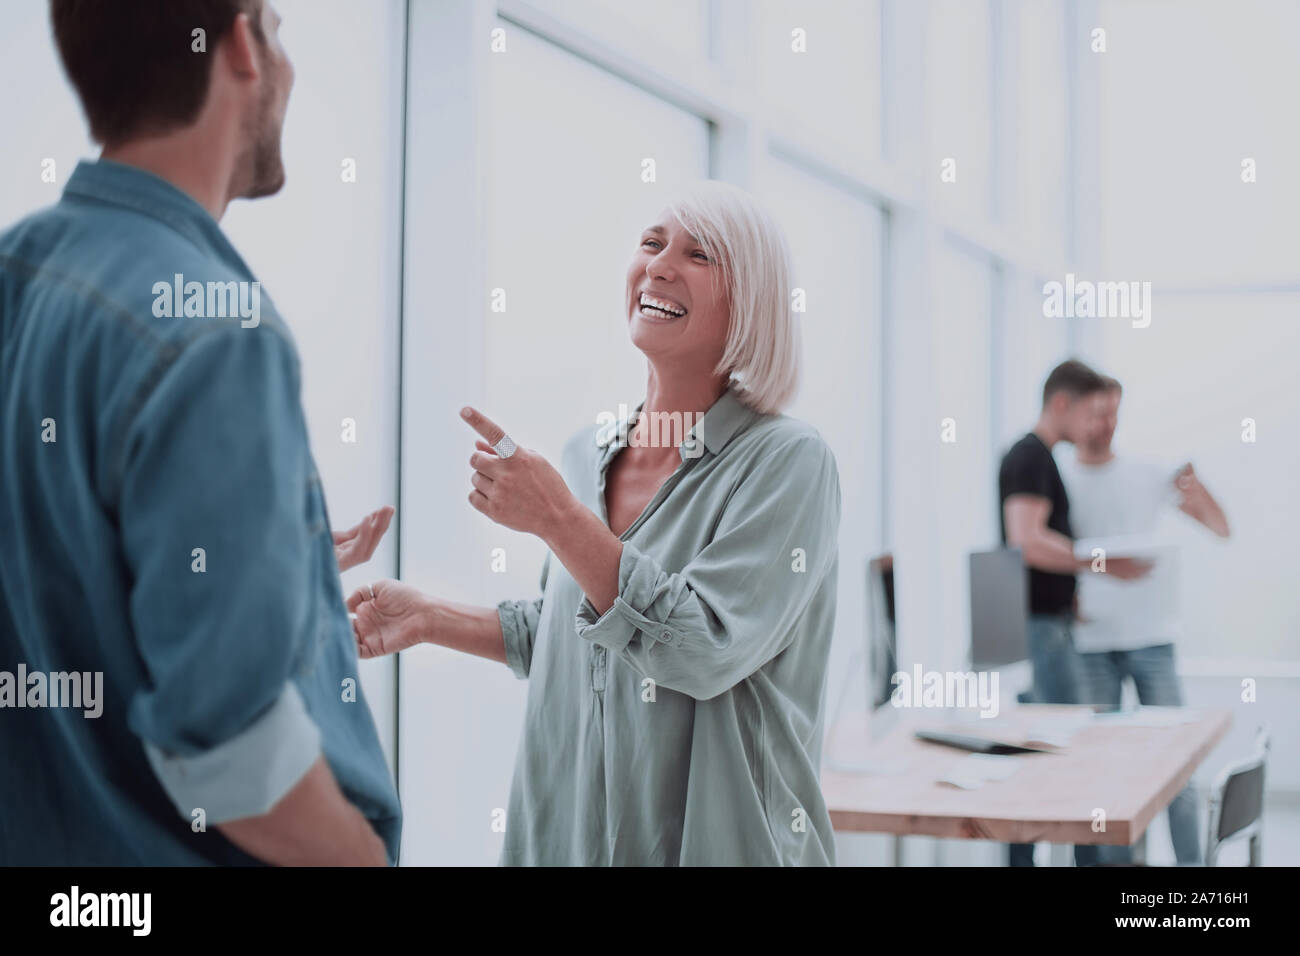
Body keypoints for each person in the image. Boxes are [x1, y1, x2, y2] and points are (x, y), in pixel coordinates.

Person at [0, 0, 399, 864]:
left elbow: (57, 558)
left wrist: (278, 578)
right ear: (239, 45)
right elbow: (232, 753)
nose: (287, 64)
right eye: (279, 31)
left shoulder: (18, 269)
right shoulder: (217, 333)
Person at [349, 181, 843, 865]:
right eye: (651, 242)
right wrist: (430, 617)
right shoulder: (588, 452)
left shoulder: (787, 462)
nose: (661, 265)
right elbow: (571, 632)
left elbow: (699, 648)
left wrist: (556, 518)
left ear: (749, 302)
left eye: (699, 255)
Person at [1061, 376, 1230, 864]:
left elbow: (1221, 528)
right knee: (1102, 771)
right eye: (1096, 413)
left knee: (1177, 765)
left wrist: (1199, 491)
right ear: (1074, 413)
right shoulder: (1060, 480)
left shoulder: (1147, 472)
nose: (1106, 424)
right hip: (1089, 642)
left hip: (1152, 639)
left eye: (1114, 412)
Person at [998, 359, 1150, 866]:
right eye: (1091, 411)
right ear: (1062, 403)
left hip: (1050, 624)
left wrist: (1072, 596)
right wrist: (1105, 562)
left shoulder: (1041, 458)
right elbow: (1027, 540)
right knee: (1069, 759)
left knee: (1042, 756)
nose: (1096, 426)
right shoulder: (1031, 457)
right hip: (1042, 631)